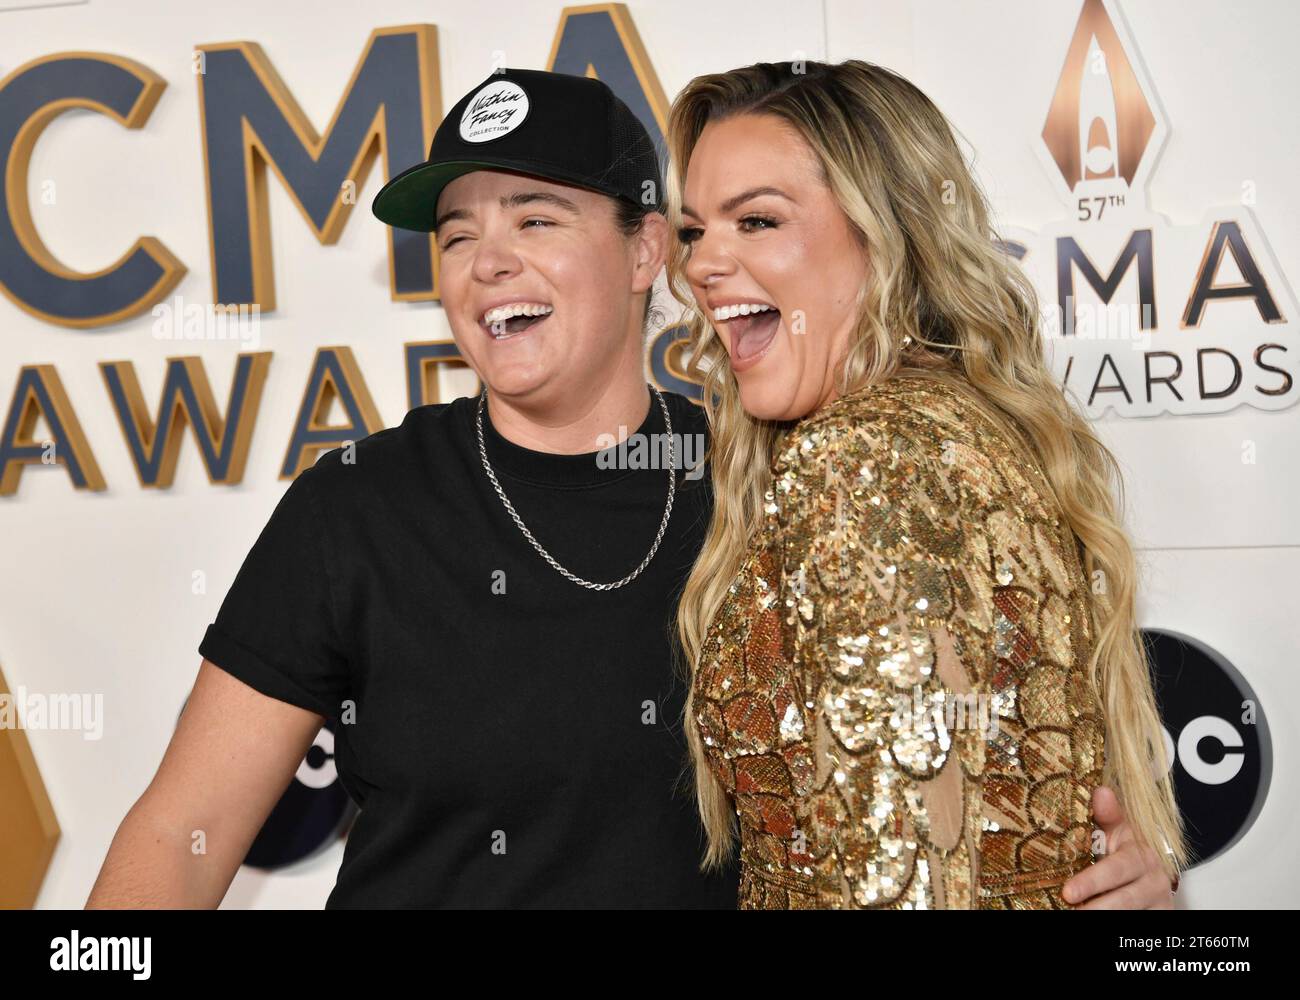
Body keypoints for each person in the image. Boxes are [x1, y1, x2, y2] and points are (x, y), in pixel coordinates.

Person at [86, 67, 1175, 909]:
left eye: (535, 219)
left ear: (649, 248)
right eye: (456, 235)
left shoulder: (779, 481)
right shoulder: (354, 508)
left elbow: (932, 794)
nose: (487, 261)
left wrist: (1106, 875)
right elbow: (177, 838)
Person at [667, 59, 1188, 908]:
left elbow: (897, 878)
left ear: (889, 232)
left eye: (756, 220)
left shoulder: (863, 458)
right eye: (695, 232)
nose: (703, 265)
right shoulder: (966, 429)